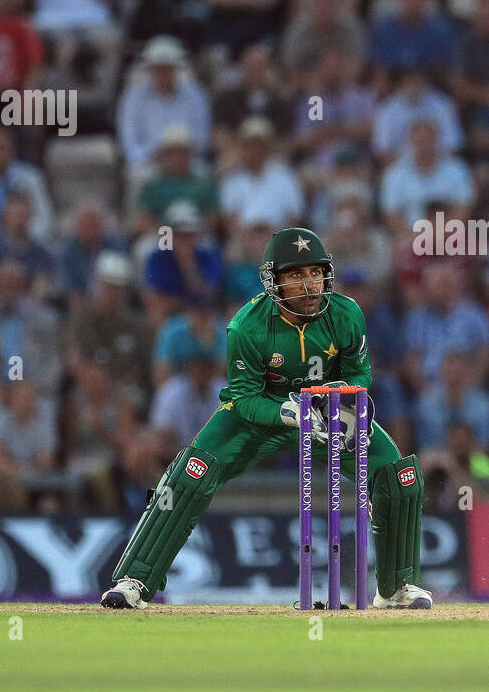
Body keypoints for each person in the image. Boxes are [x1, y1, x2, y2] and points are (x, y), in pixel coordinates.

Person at [101, 226, 432, 611]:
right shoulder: (247, 326)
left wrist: (339, 401)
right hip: (260, 413)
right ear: (273, 282)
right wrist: (287, 411)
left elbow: (361, 375)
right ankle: (135, 581)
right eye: (296, 275)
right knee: (190, 472)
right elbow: (243, 398)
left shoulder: (347, 313)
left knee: (398, 475)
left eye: (315, 273)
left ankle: (397, 588)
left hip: (327, 413)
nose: (309, 285)